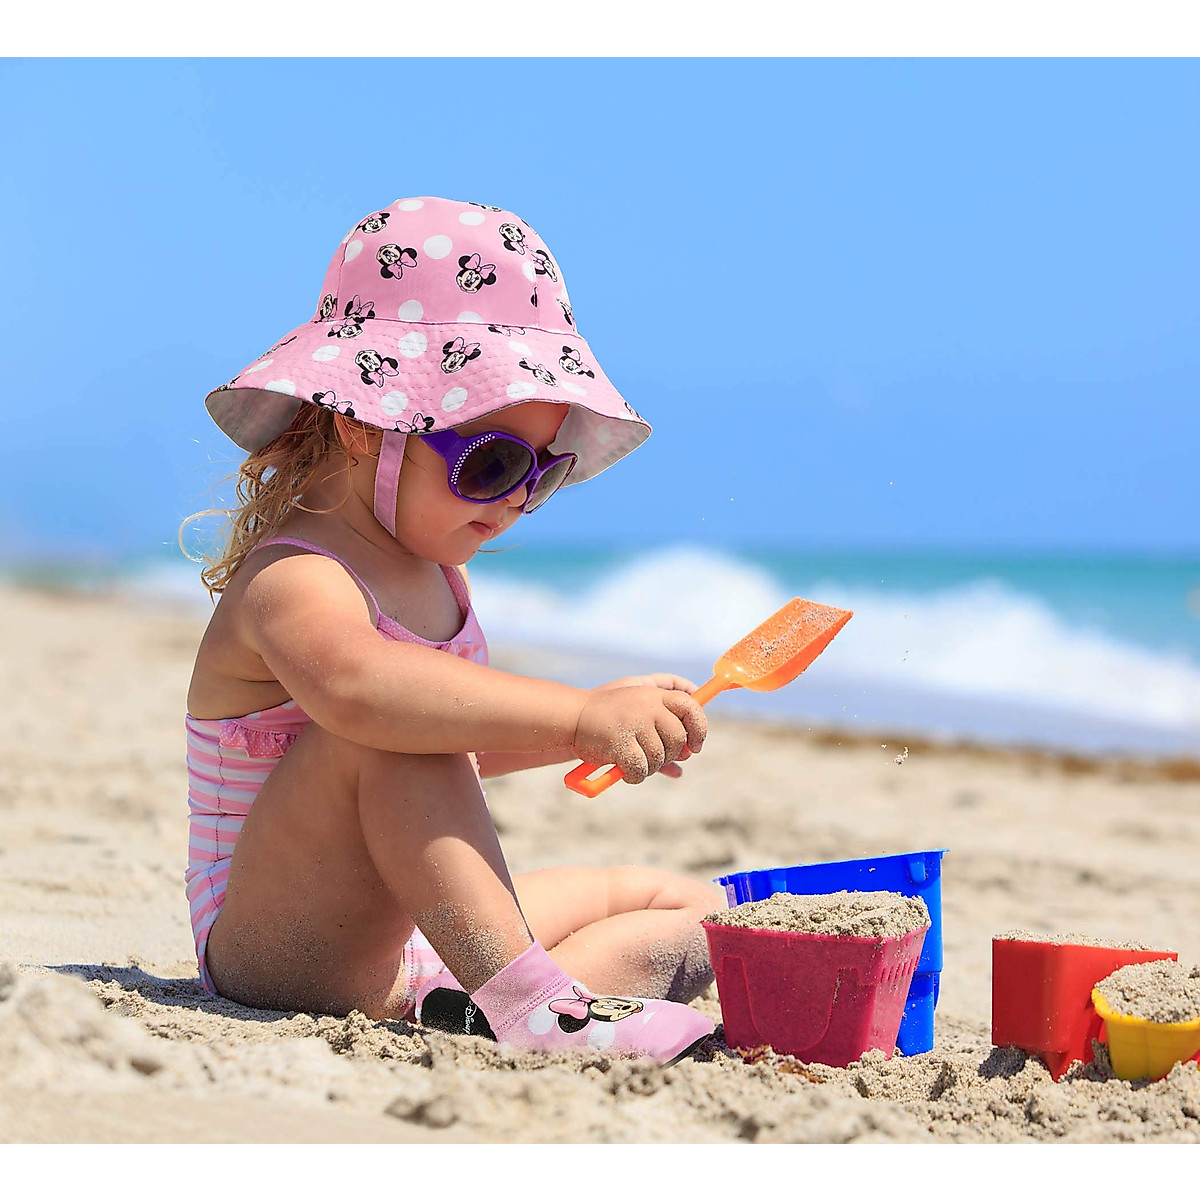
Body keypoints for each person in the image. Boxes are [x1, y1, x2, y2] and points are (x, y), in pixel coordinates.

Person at [183, 196, 718, 1065]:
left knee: (673, 901)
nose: (515, 498)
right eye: (493, 462)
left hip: (403, 935)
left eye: (544, 472)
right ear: (362, 425)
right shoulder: (294, 580)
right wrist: (578, 713)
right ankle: (536, 1006)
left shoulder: (434, 574)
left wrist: (597, 727)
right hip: (280, 942)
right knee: (381, 730)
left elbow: (457, 744)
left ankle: (495, 1007)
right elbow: (368, 698)